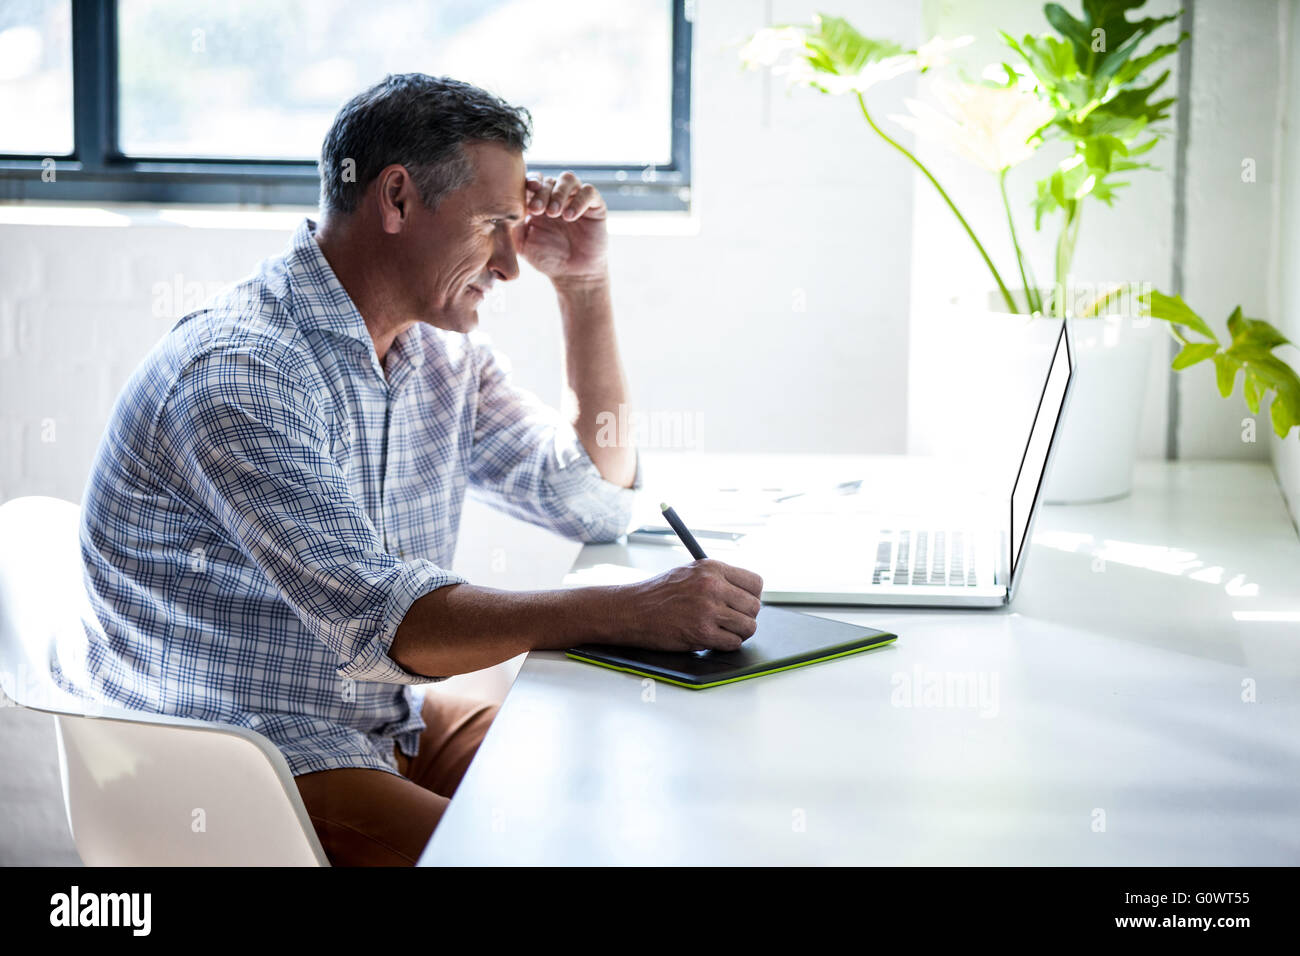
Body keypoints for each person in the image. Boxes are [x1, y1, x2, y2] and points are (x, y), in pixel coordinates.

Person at [75, 74, 763, 866]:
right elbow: (384, 625)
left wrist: (584, 287)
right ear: (396, 199)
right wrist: (624, 609)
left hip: (378, 719)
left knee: (614, 793)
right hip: (245, 755)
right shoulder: (242, 374)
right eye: (494, 226)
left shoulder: (437, 353)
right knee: (533, 854)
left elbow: (594, 501)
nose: (510, 265)